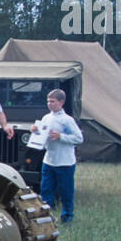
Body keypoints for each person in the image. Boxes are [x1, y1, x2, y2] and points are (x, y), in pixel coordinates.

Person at [35, 88, 84, 223]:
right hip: (49, 161)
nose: (49, 104)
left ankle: (67, 217)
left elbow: (79, 138)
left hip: (65, 162)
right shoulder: (46, 118)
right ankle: (45, 217)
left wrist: (61, 136)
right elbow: (42, 137)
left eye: (53, 101)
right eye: (48, 101)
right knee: (45, 190)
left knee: (66, 192)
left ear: (61, 102)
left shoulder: (67, 120)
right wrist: (35, 131)